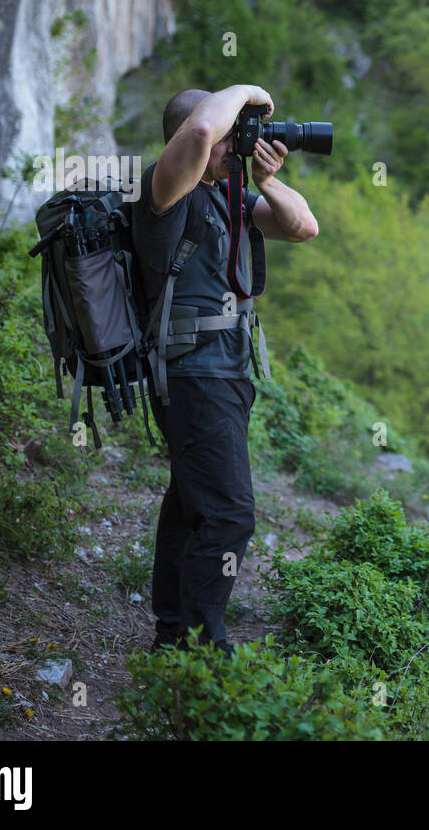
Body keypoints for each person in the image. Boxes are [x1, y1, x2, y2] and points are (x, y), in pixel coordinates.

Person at [132, 84, 318, 652]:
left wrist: (266, 181)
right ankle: (202, 645)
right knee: (230, 514)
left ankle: (171, 634)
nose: (238, 140)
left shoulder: (226, 191)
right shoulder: (165, 188)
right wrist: (245, 92)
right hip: (193, 373)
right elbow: (198, 133)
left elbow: (302, 226)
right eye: (232, 130)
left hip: (227, 373)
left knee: (192, 502)